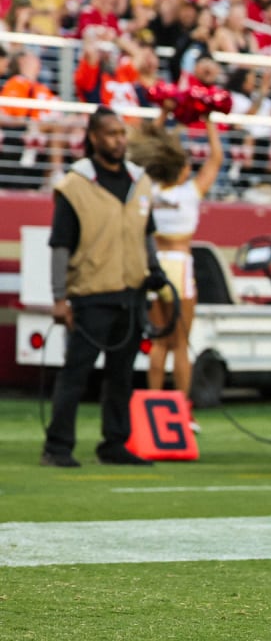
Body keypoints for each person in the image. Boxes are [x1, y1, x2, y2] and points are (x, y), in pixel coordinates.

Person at [42, 106, 168, 468]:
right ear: (94, 138)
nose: (119, 140)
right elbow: (60, 245)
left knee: (122, 375)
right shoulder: (75, 185)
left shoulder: (138, 181)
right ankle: (57, 446)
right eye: (111, 134)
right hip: (91, 292)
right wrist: (59, 298)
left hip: (132, 291)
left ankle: (115, 443)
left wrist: (155, 268)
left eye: (122, 133)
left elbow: (146, 233)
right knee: (76, 373)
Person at [134, 103, 225, 414]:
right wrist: (209, 121)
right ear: (182, 169)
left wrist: (163, 114)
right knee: (181, 343)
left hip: (154, 262)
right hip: (180, 264)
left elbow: (148, 143)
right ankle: (182, 411)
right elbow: (216, 159)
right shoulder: (190, 192)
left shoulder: (151, 189)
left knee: (159, 342)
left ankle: (153, 408)